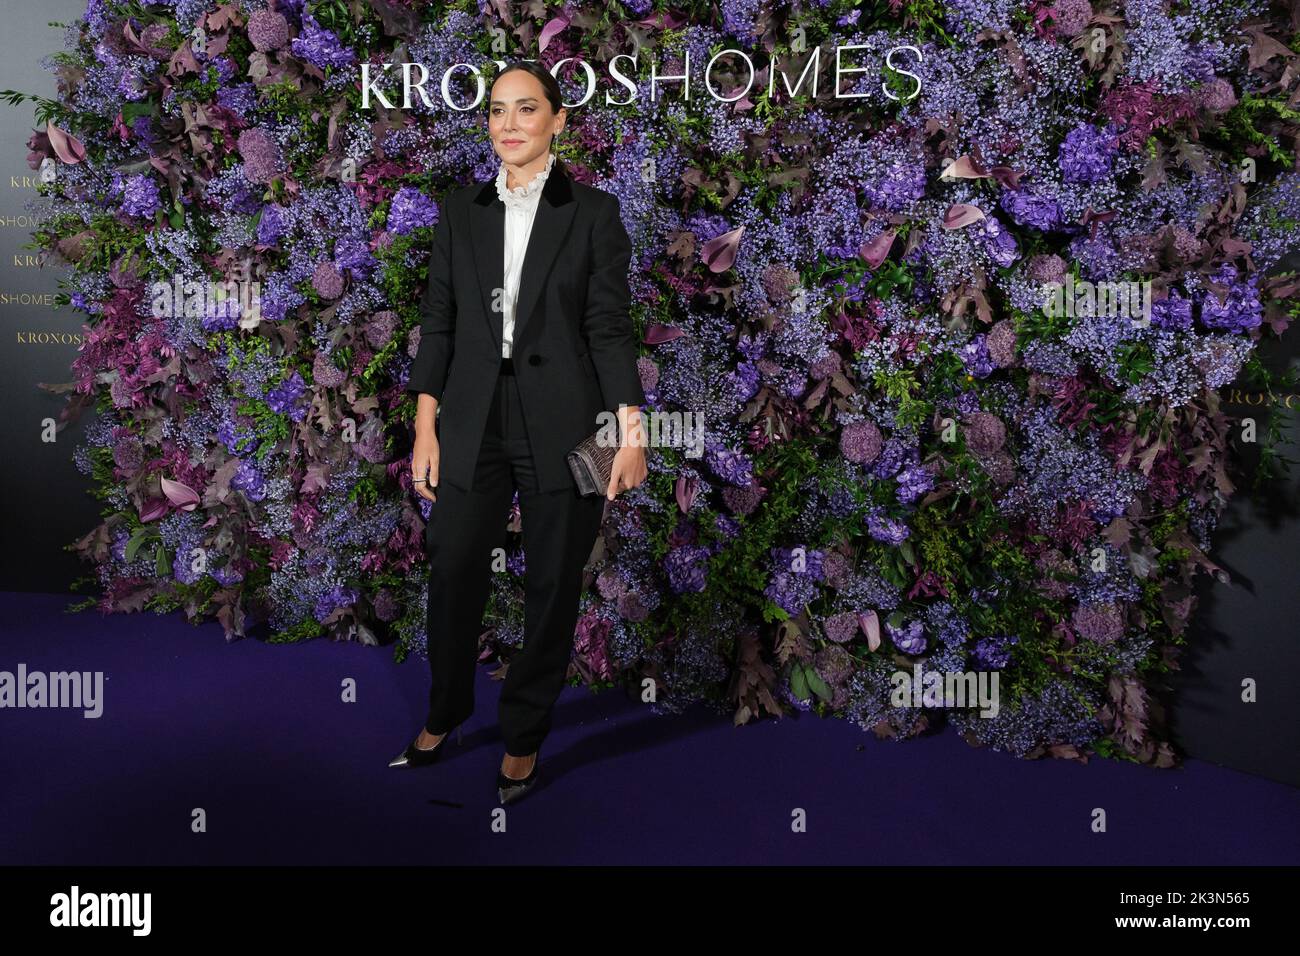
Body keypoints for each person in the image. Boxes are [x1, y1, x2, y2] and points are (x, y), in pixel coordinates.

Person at [389, 61, 649, 805]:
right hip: (471, 419)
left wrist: (629, 433)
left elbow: (608, 330)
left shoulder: (594, 213)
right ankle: (444, 713)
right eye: (498, 110)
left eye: (526, 109)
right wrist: (425, 429)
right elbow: (438, 326)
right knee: (454, 564)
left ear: (558, 121)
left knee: (553, 581)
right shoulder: (458, 210)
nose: (509, 124)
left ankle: (524, 737)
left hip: (573, 424)